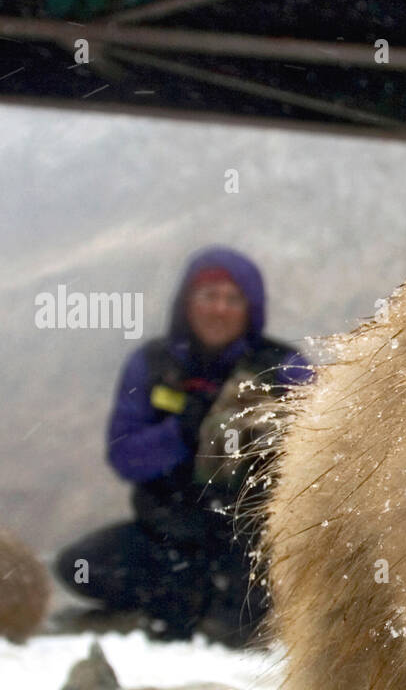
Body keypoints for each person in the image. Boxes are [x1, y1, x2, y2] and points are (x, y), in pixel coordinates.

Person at [55, 247, 311, 643]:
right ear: (186, 303)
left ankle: (208, 603)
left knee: (256, 603)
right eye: (208, 296)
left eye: (232, 298)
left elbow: (325, 448)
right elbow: (124, 456)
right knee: (80, 565)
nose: (219, 309)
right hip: (166, 537)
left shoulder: (284, 367)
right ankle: (197, 597)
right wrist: (181, 432)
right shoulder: (153, 364)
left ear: (251, 307)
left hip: (251, 542)